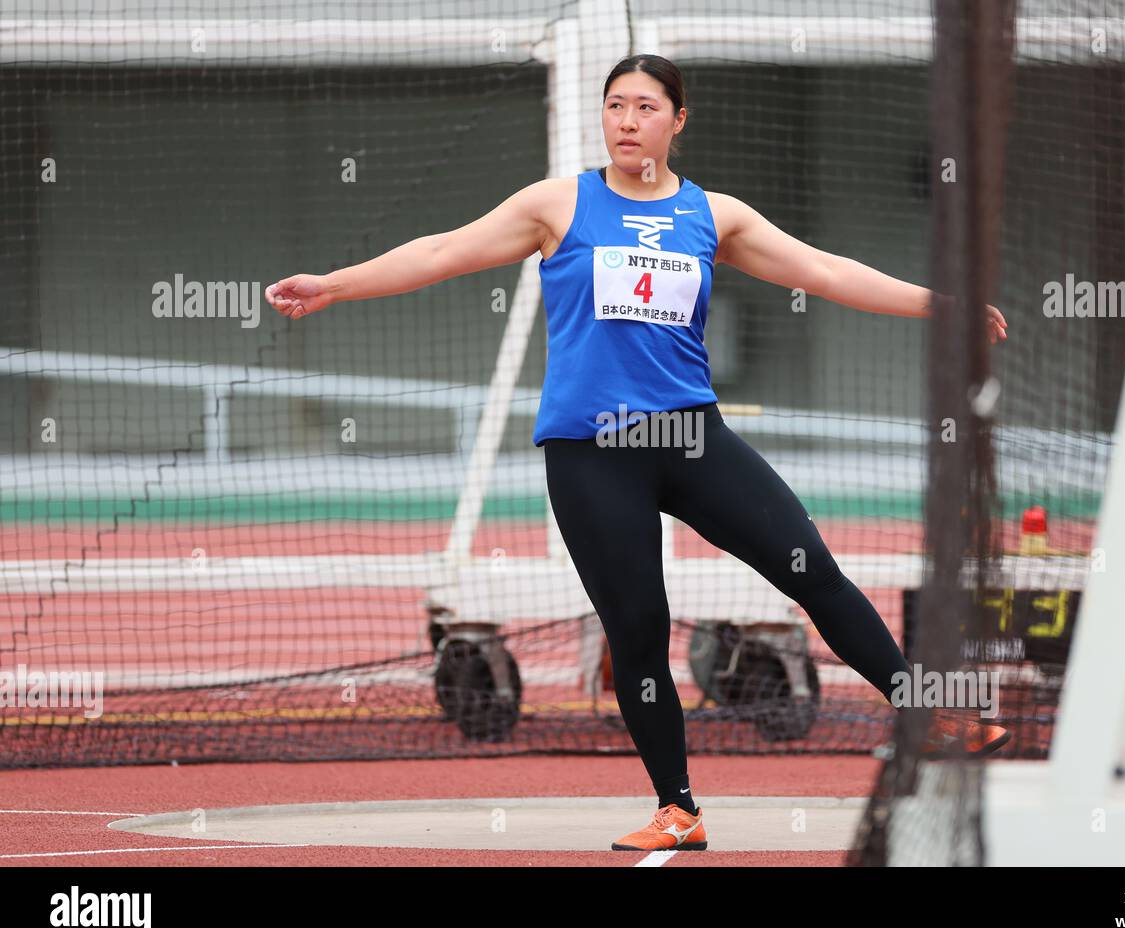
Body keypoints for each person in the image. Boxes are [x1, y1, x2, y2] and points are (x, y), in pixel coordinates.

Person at [266, 53, 1011, 853]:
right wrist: (336, 283)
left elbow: (826, 271)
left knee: (809, 566)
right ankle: (677, 807)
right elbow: (441, 251)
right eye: (615, 105)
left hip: (690, 437)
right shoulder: (558, 203)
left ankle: (934, 719)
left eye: (645, 107)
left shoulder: (713, 215)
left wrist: (939, 305)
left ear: (677, 120)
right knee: (639, 628)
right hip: (593, 452)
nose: (627, 120)